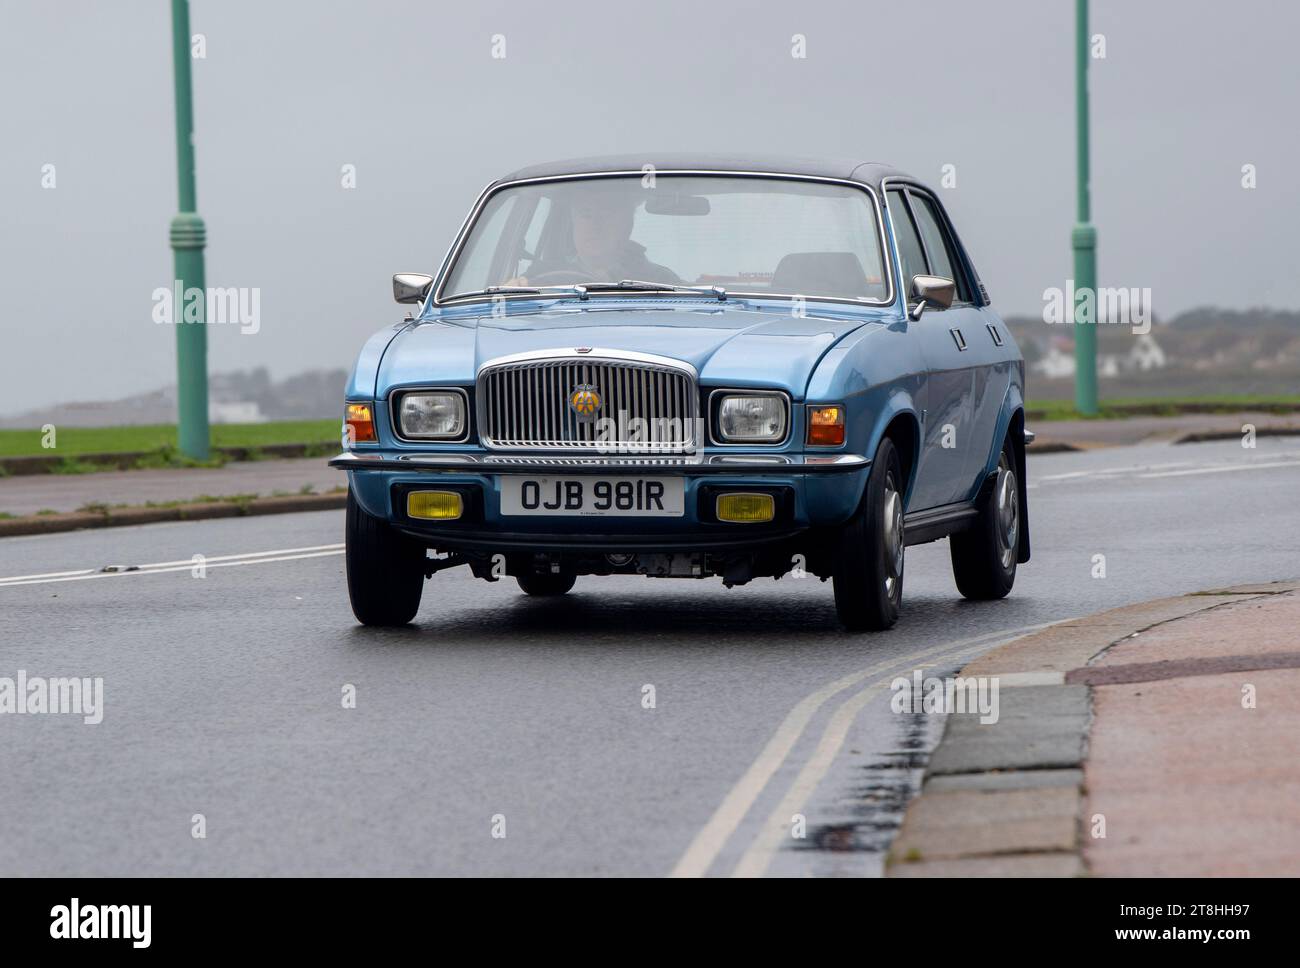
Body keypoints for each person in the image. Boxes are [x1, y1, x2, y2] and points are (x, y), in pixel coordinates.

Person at [509, 183, 682, 286]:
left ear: (628, 223)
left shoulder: (661, 281)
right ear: (574, 221)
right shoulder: (539, 278)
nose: (595, 224)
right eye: (586, 214)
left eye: (607, 214)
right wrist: (510, 291)